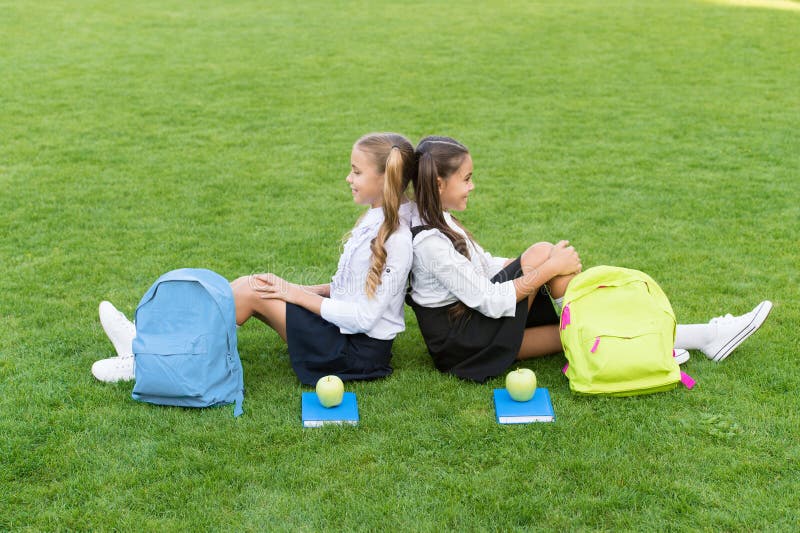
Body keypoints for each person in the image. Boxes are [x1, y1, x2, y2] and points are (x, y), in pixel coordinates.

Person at [405, 135, 773, 383]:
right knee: (544, 257)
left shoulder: (438, 217)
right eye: (466, 179)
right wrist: (547, 267)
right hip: (464, 344)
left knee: (578, 330)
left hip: (475, 331)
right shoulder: (430, 244)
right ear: (439, 184)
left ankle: (703, 336)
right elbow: (487, 298)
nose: (472, 186)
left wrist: (542, 264)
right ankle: (703, 336)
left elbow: (483, 266)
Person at [92, 133, 417, 386]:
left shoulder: (396, 238)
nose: (348, 177)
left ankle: (148, 361)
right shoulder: (377, 218)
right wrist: (294, 288)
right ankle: (150, 343)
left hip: (355, 353)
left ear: (385, 180)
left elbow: (364, 318)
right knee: (256, 285)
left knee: (250, 291)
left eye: (357, 172)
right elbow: (348, 289)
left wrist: (296, 296)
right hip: (342, 334)